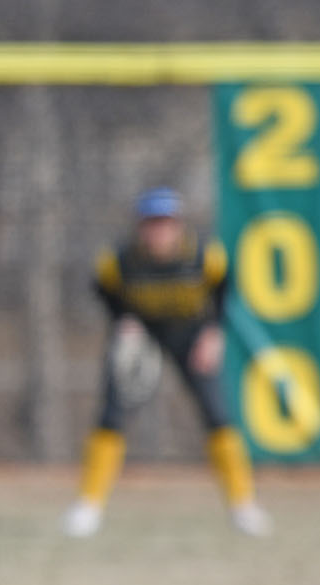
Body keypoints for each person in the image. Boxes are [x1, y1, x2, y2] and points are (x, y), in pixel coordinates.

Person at [62, 186, 272, 537]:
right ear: (140, 227)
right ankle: (88, 506)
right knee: (112, 416)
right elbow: (103, 290)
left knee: (216, 415)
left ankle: (243, 506)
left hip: (189, 334)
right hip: (141, 335)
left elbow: (223, 288)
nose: (159, 231)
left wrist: (213, 333)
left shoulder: (202, 255)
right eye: (152, 223)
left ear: (178, 225)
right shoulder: (121, 260)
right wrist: (123, 321)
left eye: (166, 223)